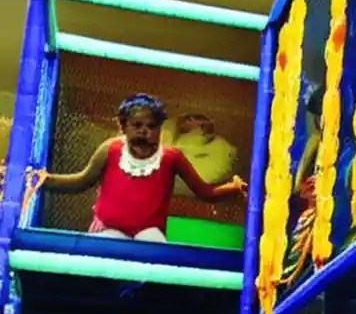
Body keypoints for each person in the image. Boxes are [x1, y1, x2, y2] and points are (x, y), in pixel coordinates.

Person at [34, 93, 247, 243]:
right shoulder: (111, 150)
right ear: (124, 126)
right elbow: (82, 180)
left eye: (151, 126)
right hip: (109, 229)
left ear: (159, 129)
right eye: (137, 126)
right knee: (108, 246)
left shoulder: (171, 158)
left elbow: (205, 192)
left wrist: (234, 188)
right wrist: (43, 181)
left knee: (153, 247)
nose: (145, 131)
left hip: (148, 233)